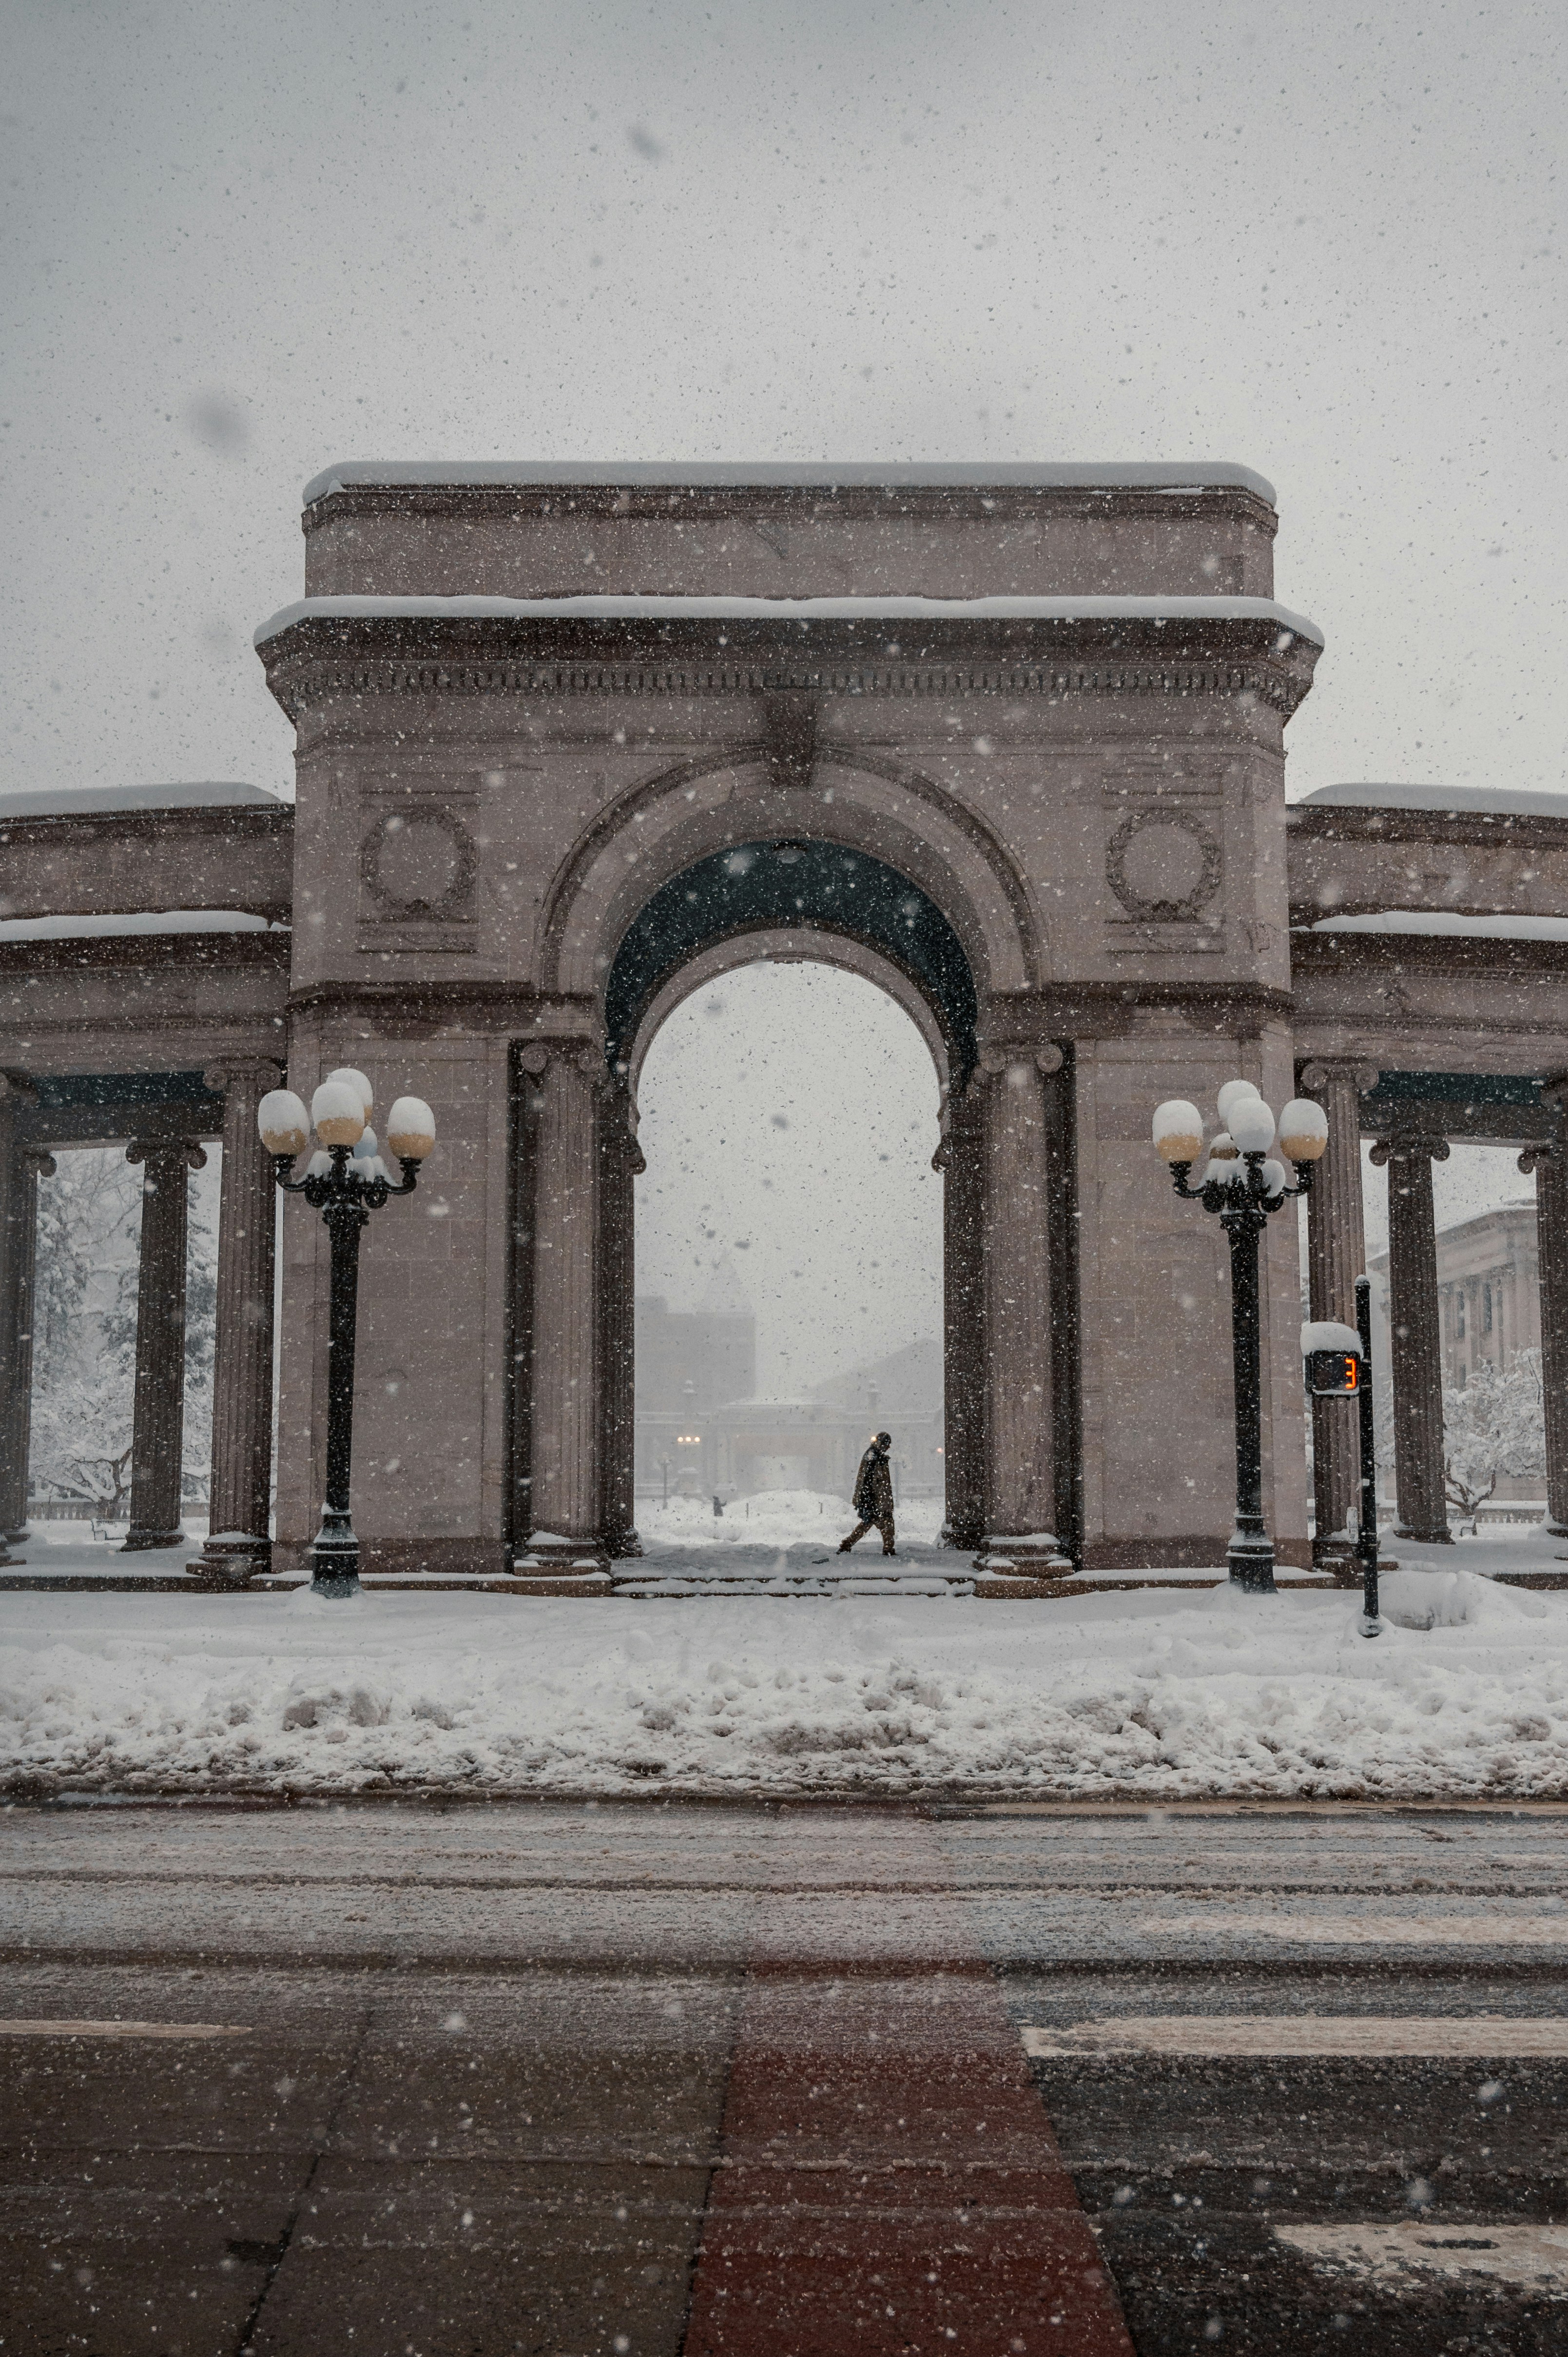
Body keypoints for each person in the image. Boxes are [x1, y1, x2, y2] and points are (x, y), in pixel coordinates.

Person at [838, 1431, 896, 1557]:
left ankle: (847, 1544)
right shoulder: (874, 1458)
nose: (889, 1447)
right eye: (887, 1444)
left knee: (869, 1523)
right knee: (885, 1523)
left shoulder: (875, 1456)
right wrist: (869, 1500)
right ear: (882, 1444)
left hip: (876, 1500)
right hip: (877, 1500)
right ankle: (888, 1549)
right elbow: (868, 1482)